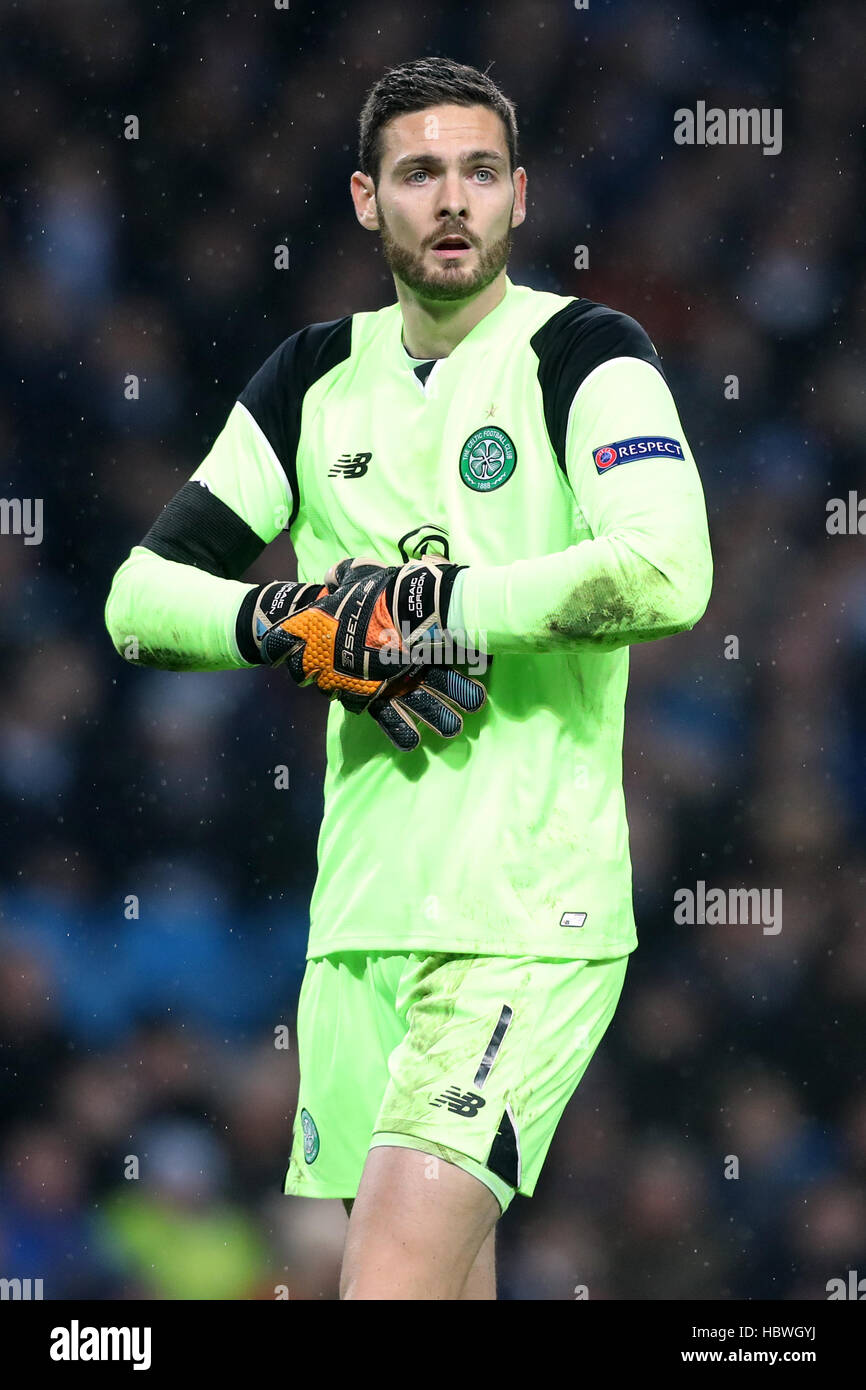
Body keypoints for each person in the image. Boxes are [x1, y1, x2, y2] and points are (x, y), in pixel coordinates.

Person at [104, 55, 713, 1301]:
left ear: (520, 197)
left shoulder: (587, 352)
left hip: (521, 918)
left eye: (479, 173)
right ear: (363, 200)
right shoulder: (310, 378)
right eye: (419, 173)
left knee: (379, 1284)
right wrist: (300, 624)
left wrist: (423, 612)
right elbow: (138, 599)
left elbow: (664, 571)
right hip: (363, 924)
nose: (452, 200)